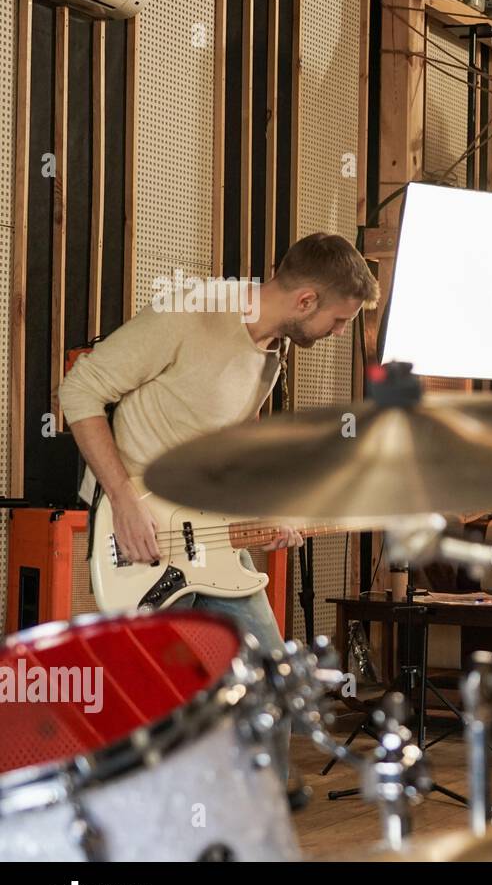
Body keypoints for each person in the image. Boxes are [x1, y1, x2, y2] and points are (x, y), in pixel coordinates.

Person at [60, 233, 383, 781]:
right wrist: (123, 499)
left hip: (210, 544)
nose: (338, 333)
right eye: (338, 320)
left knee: (274, 686)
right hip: (138, 534)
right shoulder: (189, 311)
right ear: (306, 300)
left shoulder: (272, 357)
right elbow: (80, 391)